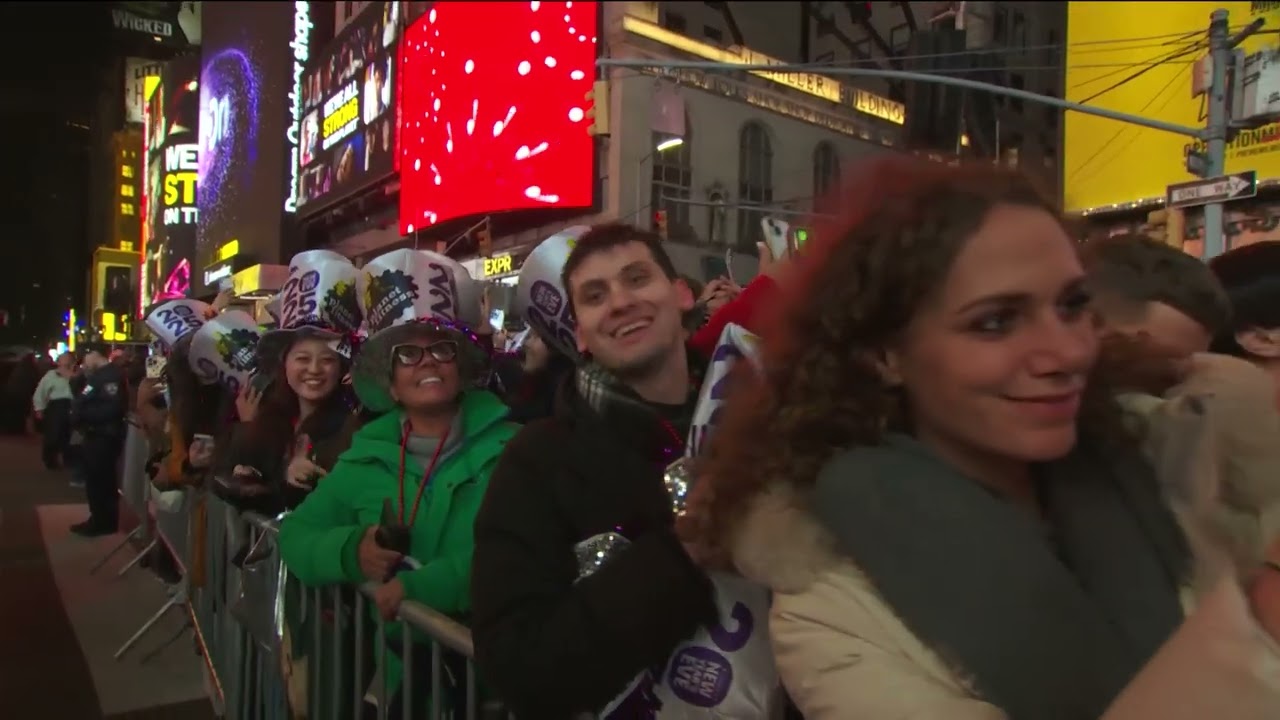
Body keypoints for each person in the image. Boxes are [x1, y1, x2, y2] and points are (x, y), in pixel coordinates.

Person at [683, 156, 1280, 718]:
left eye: (1072, 306)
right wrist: (1254, 626)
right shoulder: (830, 603)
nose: (1068, 352)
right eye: (995, 322)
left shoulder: (1189, 449)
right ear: (885, 353)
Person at [470, 223, 717, 718]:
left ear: (681, 295)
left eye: (636, 278)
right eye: (595, 295)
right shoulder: (536, 461)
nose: (621, 303)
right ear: (580, 334)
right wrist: (681, 553)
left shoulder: (758, 418)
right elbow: (518, 668)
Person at [277, 250, 517, 717]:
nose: (426, 361)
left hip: (497, 688)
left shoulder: (518, 449)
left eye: (441, 348)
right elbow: (295, 536)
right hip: (400, 689)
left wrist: (427, 589)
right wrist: (351, 551)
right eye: (406, 353)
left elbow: (530, 549)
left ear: (460, 366)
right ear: (389, 383)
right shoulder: (364, 459)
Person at [70, 349, 129, 536]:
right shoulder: (98, 376)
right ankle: (98, 518)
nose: (84, 363)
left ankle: (103, 522)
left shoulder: (110, 376)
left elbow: (111, 409)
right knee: (96, 481)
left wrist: (83, 415)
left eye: (86, 358)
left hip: (103, 436)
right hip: (95, 434)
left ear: (96, 355)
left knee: (101, 481)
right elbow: (83, 396)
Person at [33, 352, 76, 469]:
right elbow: (40, 392)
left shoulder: (77, 375)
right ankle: (50, 460)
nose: (63, 364)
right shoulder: (51, 375)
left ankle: (69, 460)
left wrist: (72, 377)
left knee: (70, 436)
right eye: (61, 361)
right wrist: (39, 408)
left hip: (73, 405)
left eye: (67, 361)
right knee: (53, 434)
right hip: (56, 406)